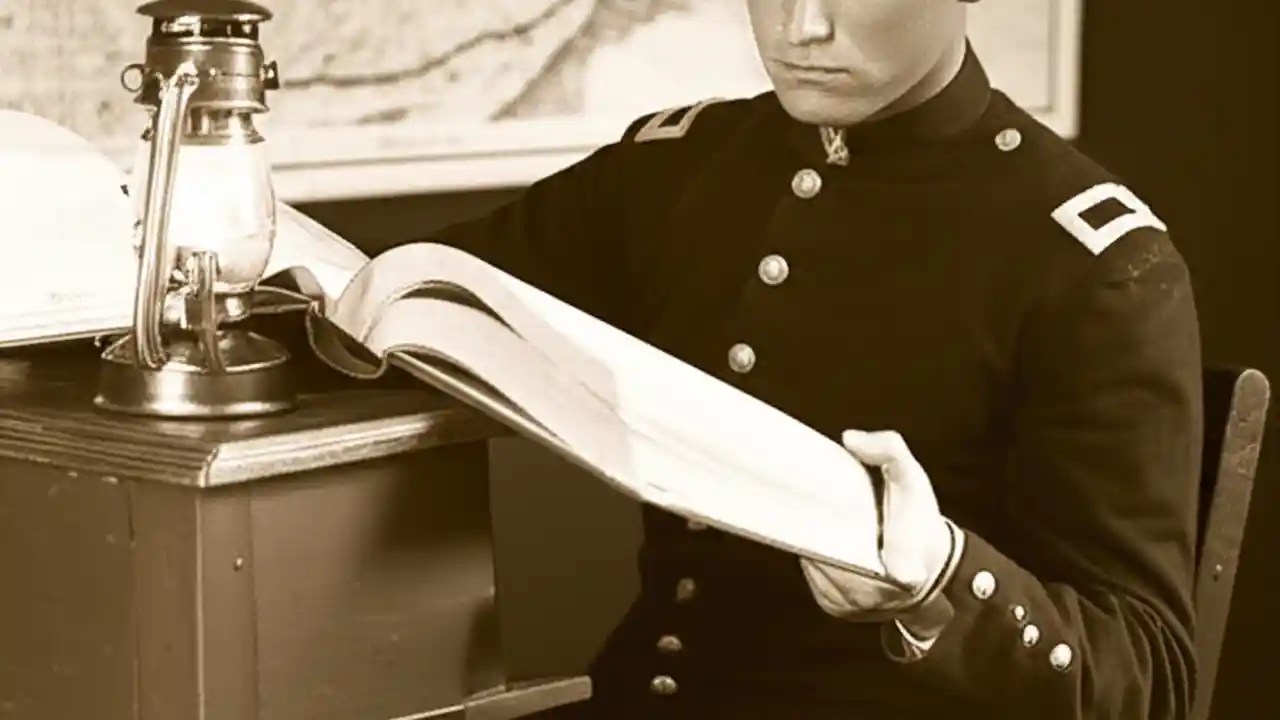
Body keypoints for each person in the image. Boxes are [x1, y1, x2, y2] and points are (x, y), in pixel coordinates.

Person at [393, 1, 1204, 717]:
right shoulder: (673, 168)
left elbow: (1148, 680)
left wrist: (943, 581)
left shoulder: (1094, 265)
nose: (802, 27)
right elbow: (413, 290)